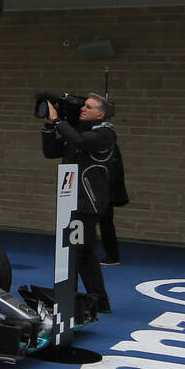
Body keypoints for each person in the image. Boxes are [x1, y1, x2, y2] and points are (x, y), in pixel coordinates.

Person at [41, 94, 115, 314]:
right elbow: (51, 152)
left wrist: (58, 121)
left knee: (71, 251)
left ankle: (66, 301)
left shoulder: (105, 134)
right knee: (85, 252)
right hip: (72, 200)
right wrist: (48, 127)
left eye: (88, 106)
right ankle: (99, 300)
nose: (83, 108)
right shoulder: (78, 132)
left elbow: (80, 142)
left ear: (100, 113)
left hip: (86, 203)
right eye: (83, 105)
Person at [99, 141, 126, 265]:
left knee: (106, 223)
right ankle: (112, 255)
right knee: (105, 223)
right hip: (101, 188)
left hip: (104, 190)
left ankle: (113, 255)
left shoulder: (108, 144)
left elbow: (116, 170)